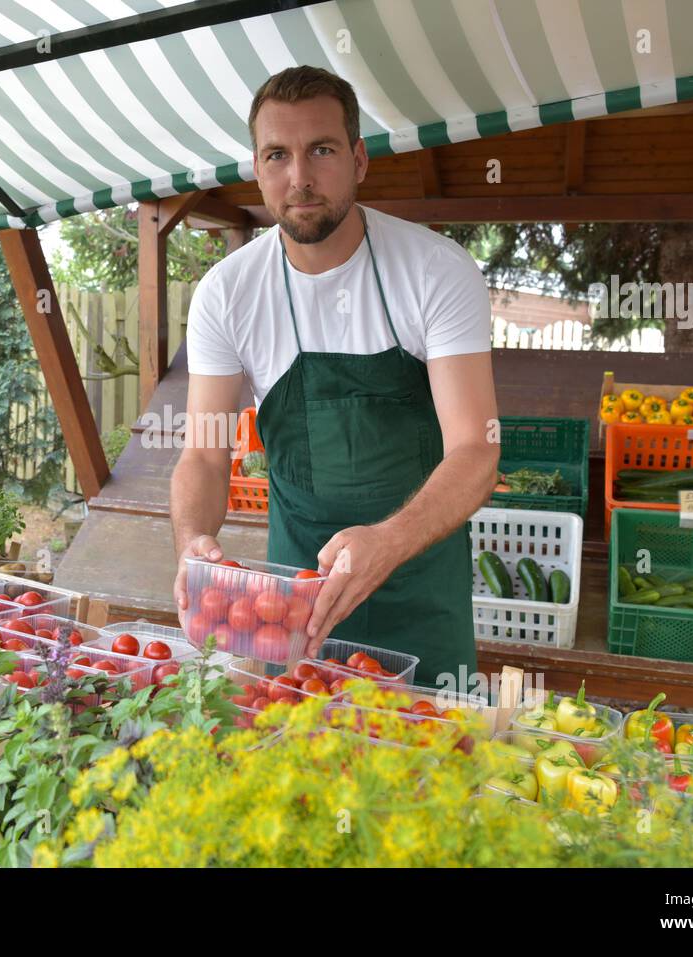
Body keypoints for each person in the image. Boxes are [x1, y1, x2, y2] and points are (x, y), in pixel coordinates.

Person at [169, 65, 500, 685]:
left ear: (359, 160)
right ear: (257, 168)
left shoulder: (436, 271)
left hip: (421, 585)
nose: (300, 178)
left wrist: (387, 542)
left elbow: (477, 450)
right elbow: (204, 457)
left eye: (321, 150)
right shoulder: (226, 293)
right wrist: (193, 542)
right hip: (292, 601)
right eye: (277, 155)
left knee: (428, 764)